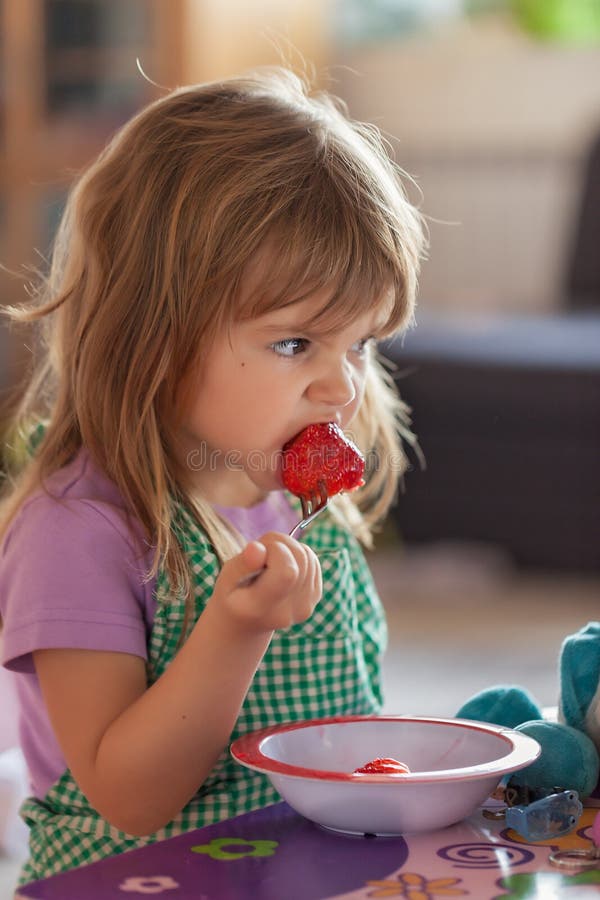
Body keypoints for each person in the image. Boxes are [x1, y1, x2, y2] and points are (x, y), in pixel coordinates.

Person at [0, 67, 425, 884]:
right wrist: (236, 631)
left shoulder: (296, 505)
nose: (343, 387)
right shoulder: (79, 530)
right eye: (296, 344)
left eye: (362, 344)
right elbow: (129, 797)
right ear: (151, 337)